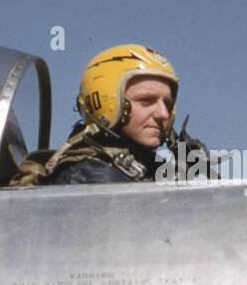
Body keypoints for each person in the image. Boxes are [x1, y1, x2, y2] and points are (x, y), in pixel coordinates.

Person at [10, 44, 179, 186]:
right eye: (147, 101)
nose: (163, 114)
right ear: (108, 103)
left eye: (168, 104)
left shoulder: (139, 169)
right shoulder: (94, 178)